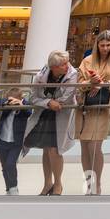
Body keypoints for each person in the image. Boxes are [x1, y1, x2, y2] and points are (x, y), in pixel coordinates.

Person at [77, 30, 110, 195]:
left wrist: (104, 84)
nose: (105, 48)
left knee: (95, 146)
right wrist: (90, 82)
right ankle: (88, 183)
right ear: (97, 44)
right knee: (84, 146)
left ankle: (97, 184)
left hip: (104, 107)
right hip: (86, 106)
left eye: (108, 45)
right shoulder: (87, 60)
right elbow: (78, 83)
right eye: (102, 45)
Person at [26, 50, 80, 195]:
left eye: (67, 62)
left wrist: (50, 103)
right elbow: (33, 97)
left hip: (61, 115)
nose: (67, 66)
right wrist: (48, 102)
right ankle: (47, 183)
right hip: (45, 113)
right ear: (54, 67)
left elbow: (66, 99)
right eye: (63, 64)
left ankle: (58, 184)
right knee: (46, 150)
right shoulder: (41, 75)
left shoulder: (72, 74)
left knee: (54, 150)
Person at [0, 89, 31, 194]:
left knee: (10, 164)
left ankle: (14, 187)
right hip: (3, 139)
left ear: (21, 98)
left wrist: (20, 105)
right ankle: (8, 188)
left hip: (16, 142)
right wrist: (7, 102)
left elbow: (29, 112)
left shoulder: (25, 105)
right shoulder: (6, 104)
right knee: (4, 165)